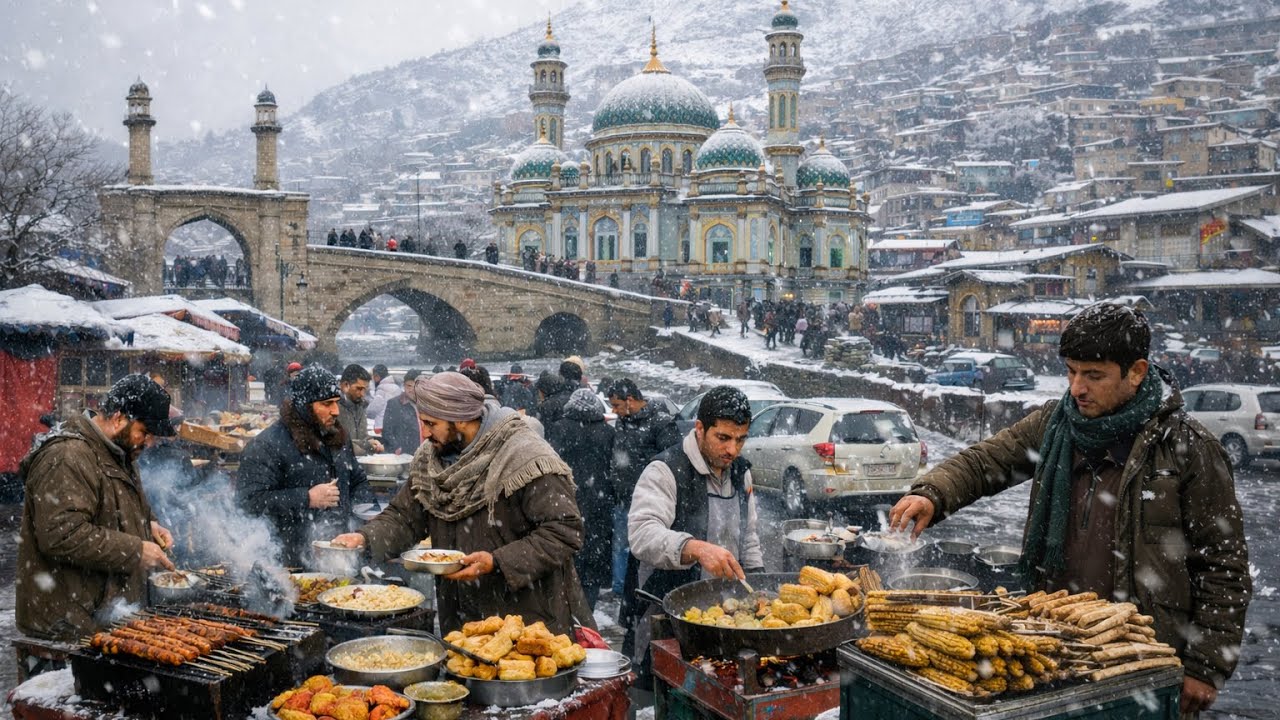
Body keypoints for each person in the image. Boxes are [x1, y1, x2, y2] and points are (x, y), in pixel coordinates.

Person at [888, 303, 1251, 715]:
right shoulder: (1057, 425)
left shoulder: (1186, 448)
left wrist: (1205, 666)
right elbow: (986, 461)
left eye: (1093, 376)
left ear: (1136, 372)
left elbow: (1224, 564)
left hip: (1141, 660)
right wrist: (932, 492)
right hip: (1056, 652)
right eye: (1071, 371)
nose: (1077, 387)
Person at [331, 372, 595, 635]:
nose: (424, 433)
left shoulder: (524, 456)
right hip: (461, 617)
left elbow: (565, 530)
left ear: (460, 420)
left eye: (431, 424)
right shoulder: (430, 460)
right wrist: (365, 537)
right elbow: (404, 517)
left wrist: (497, 561)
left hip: (525, 619)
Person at [17, 374, 178, 640]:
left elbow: (114, 504)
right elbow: (61, 536)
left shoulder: (120, 451)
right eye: (145, 432)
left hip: (102, 615)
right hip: (67, 622)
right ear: (118, 418)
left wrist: (146, 524)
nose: (149, 442)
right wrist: (135, 550)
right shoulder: (67, 456)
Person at [624, 386, 763, 685]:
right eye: (723, 438)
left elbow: (748, 537)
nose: (732, 450)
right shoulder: (665, 470)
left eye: (740, 440)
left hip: (723, 619)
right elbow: (641, 534)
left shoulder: (741, 474)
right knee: (661, 693)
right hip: (667, 614)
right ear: (700, 429)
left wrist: (758, 583)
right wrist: (695, 548)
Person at [237, 365, 376, 567]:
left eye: (336, 403)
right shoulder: (268, 445)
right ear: (304, 406)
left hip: (339, 554)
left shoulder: (338, 437)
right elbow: (248, 502)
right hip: (289, 561)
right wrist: (306, 498)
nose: (336, 411)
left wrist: (368, 516)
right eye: (326, 404)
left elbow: (357, 480)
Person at [607, 378, 681, 597]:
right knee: (621, 547)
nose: (614, 410)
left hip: (650, 501)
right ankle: (621, 591)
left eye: (617, 405)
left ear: (630, 400)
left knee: (644, 550)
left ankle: (640, 593)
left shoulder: (660, 423)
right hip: (623, 499)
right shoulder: (623, 421)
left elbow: (673, 462)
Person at [547, 388, 615, 610]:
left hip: (565, 499)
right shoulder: (607, 432)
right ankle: (588, 613)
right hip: (599, 503)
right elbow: (614, 468)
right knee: (592, 563)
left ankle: (565, 611)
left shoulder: (559, 429)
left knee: (565, 554)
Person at [337, 364, 383, 456]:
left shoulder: (360, 406)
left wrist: (372, 442)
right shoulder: (333, 406)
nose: (362, 394)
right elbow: (335, 442)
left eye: (364, 389)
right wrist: (360, 448)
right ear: (345, 385)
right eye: (358, 388)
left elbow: (363, 436)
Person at [382, 369, 424, 455]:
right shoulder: (394, 404)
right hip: (405, 454)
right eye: (409, 386)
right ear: (404, 386)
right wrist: (396, 447)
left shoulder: (427, 404)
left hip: (425, 452)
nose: (412, 390)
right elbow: (387, 431)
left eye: (415, 386)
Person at [365, 364, 402, 430]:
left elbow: (372, 411)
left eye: (373, 377)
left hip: (382, 426)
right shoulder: (397, 388)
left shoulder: (381, 391)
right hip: (397, 425)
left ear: (377, 377)